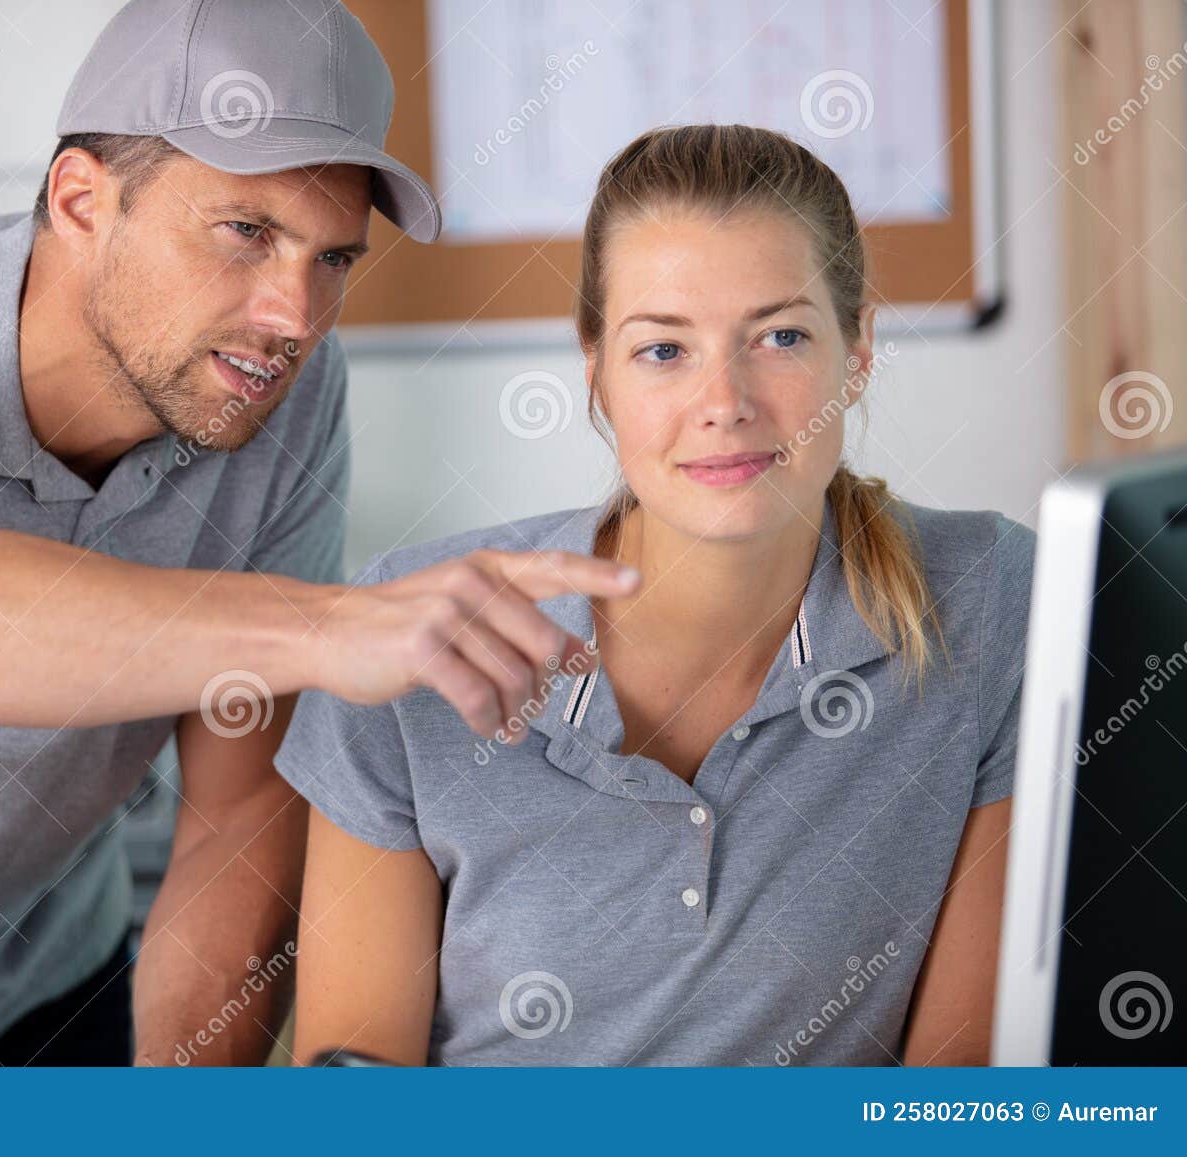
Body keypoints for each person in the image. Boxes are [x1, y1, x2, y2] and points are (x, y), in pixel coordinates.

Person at [0, 0, 638, 1068]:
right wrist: (326, 627)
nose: (295, 316)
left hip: (38, 1000)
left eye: (332, 258)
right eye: (247, 233)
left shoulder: (277, 391)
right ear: (81, 199)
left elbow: (239, 815)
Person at [273, 124, 1036, 1067]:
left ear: (859, 348)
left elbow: (957, 1100)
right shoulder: (409, 627)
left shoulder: (989, 599)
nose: (725, 401)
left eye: (782, 336)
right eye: (664, 350)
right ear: (595, 368)